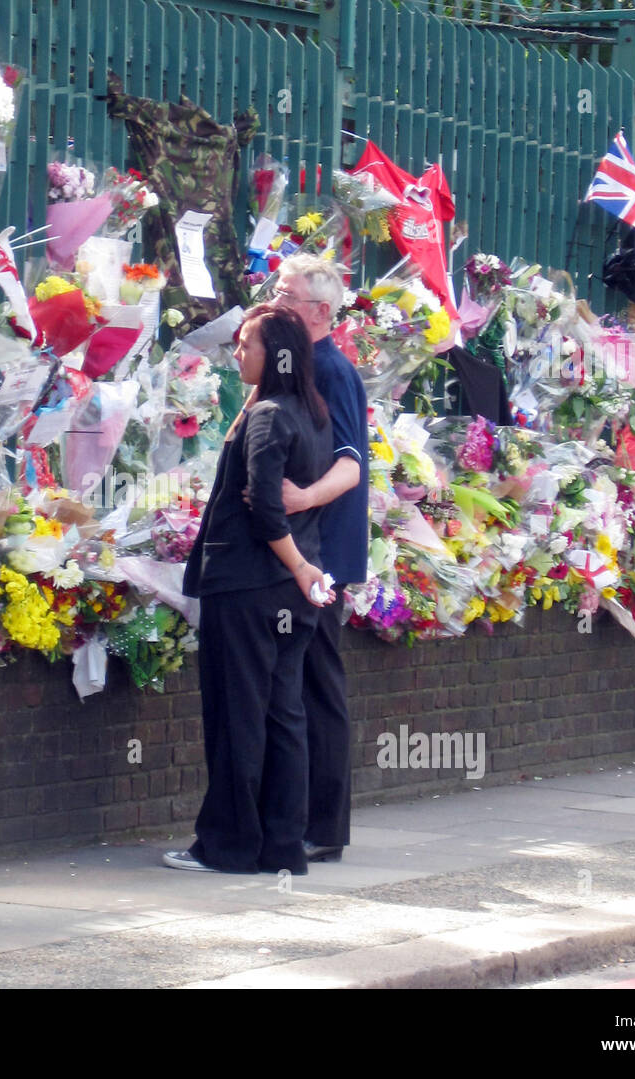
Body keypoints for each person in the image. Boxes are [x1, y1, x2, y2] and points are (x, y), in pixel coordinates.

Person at [165, 303, 334, 875]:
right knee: (282, 715)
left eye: (246, 345)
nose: (237, 352)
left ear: (277, 354)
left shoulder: (267, 417)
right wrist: (303, 571)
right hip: (289, 591)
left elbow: (264, 508)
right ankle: (280, 845)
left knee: (237, 716)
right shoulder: (308, 411)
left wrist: (296, 567)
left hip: (250, 585)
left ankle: (228, 844)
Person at [272, 254, 370, 863]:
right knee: (304, 683)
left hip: (323, 552)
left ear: (319, 311)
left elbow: (350, 461)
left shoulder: (332, 370)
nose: (275, 301)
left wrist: (303, 497)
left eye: (286, 295)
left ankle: (325, 828)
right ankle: (308, 819)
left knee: (319, 686)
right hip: (307, 550)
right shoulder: (303, 365)